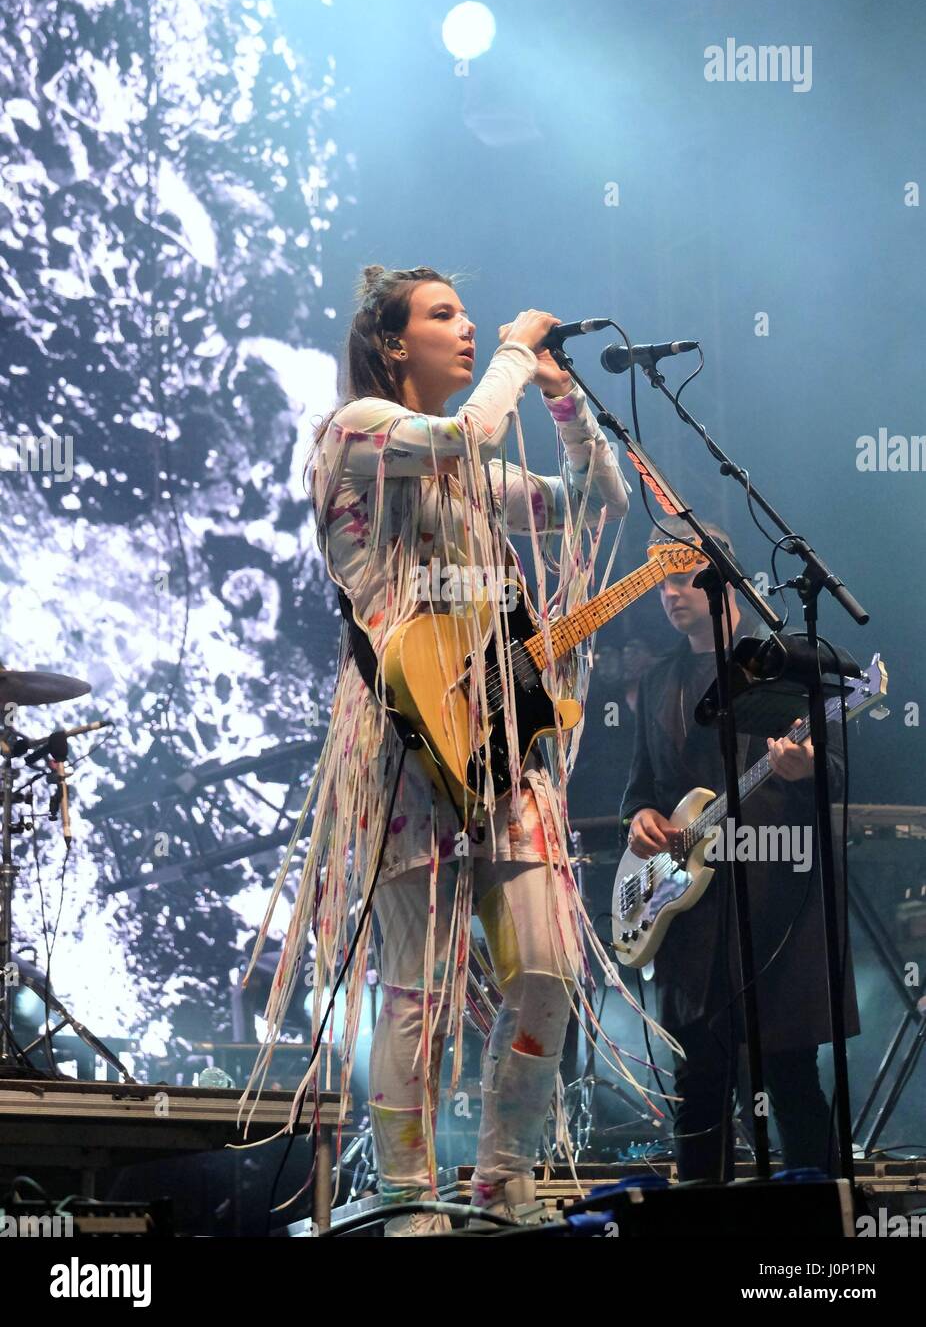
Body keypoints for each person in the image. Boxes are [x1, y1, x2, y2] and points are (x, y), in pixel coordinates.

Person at [240, 265, 677, 1235]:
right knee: (417, 987)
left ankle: (500, 1179)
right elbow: (466, 431)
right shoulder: (355, 428)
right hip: (404, 740)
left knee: (547, 962)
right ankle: (401, 1196)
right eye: (444, 315)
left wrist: (561, 392)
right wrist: (522, 350)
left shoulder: (470, 468)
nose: (469, 328)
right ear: (392, 342)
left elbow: (591, 498)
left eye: (473, 318)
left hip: (495, 732)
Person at [620, 516, 860, 1183]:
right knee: (697, 1084)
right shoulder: (659, 681)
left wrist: (806, 767)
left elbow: (835, 775)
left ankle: (823, 1228)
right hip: (689, 913)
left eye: (680, 577)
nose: (668, 593)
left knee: (790, 1078)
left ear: (721, 580)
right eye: (660, 582)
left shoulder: (779, 661)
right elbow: (641, 785)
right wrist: (638, 815)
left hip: (773, 901)